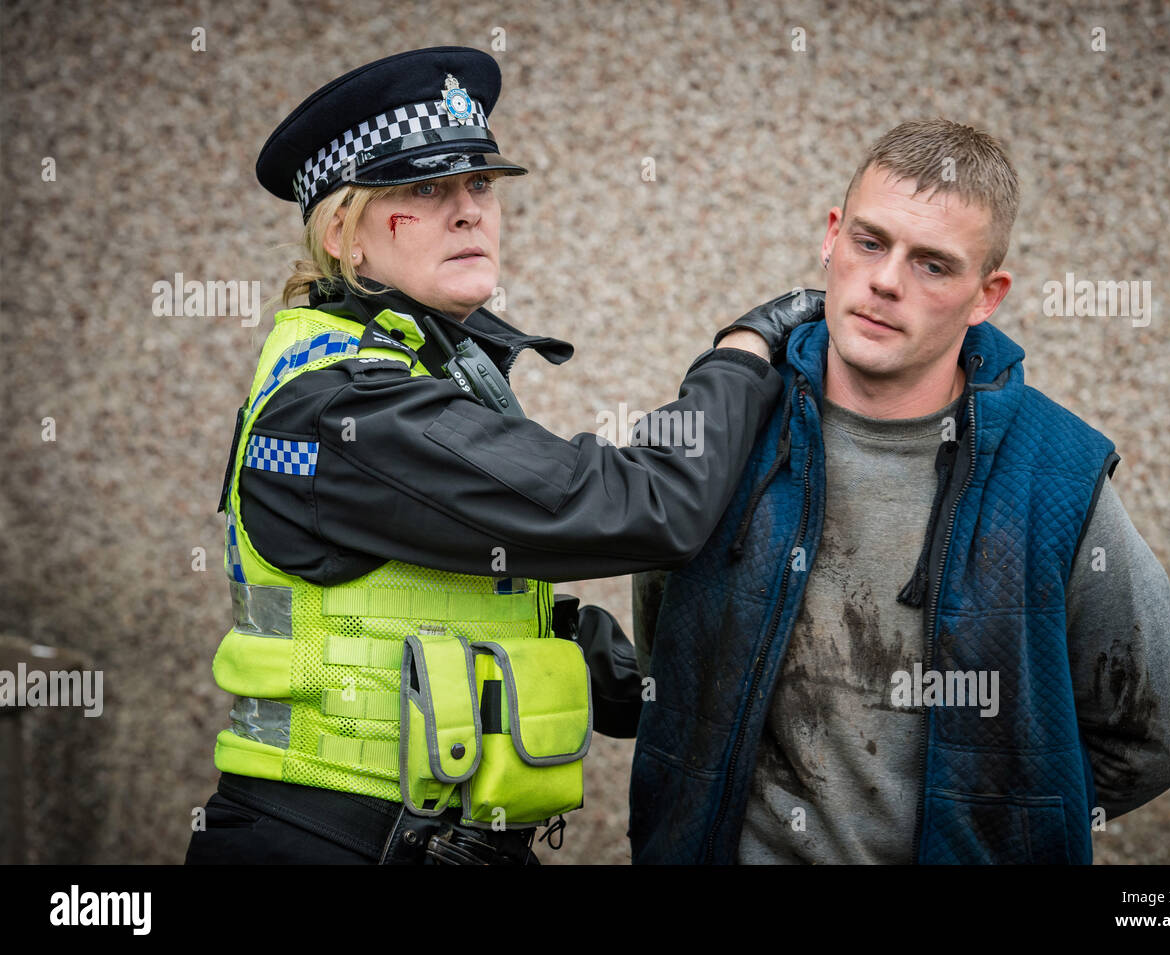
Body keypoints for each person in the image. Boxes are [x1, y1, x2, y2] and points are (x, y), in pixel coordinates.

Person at [185, 46, 819, 865]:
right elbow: (646, 505)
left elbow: (417, 591)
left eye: (479, 184)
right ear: (344, 233)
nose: (467, 211)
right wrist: (741, 355)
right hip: (332, 842)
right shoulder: (350, 406)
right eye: (422, 189)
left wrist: (581, 659)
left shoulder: (396, 366)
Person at [630, 118, 1170, 865]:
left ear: (987, 295)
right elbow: (671, 665)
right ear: (832, 235)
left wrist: (1002, 833)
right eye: (870, 241)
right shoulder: (722, 445)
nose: (886, 280)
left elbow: (1137, 744)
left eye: (932, 264)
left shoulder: (1059, 478)